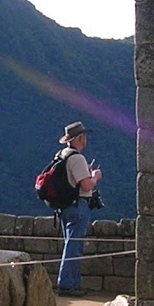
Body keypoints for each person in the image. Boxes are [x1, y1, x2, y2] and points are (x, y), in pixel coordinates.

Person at [51, 120, 103, 297]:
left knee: (70, 244)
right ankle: (66, 285)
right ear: (79, 138)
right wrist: (95, 177)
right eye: (84, 137)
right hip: (78, 206)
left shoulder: (62, 154)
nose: (85, 140)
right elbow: (87, 186)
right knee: (74, 246)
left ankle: (72, 284)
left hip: (65, 206)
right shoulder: (78, 158)